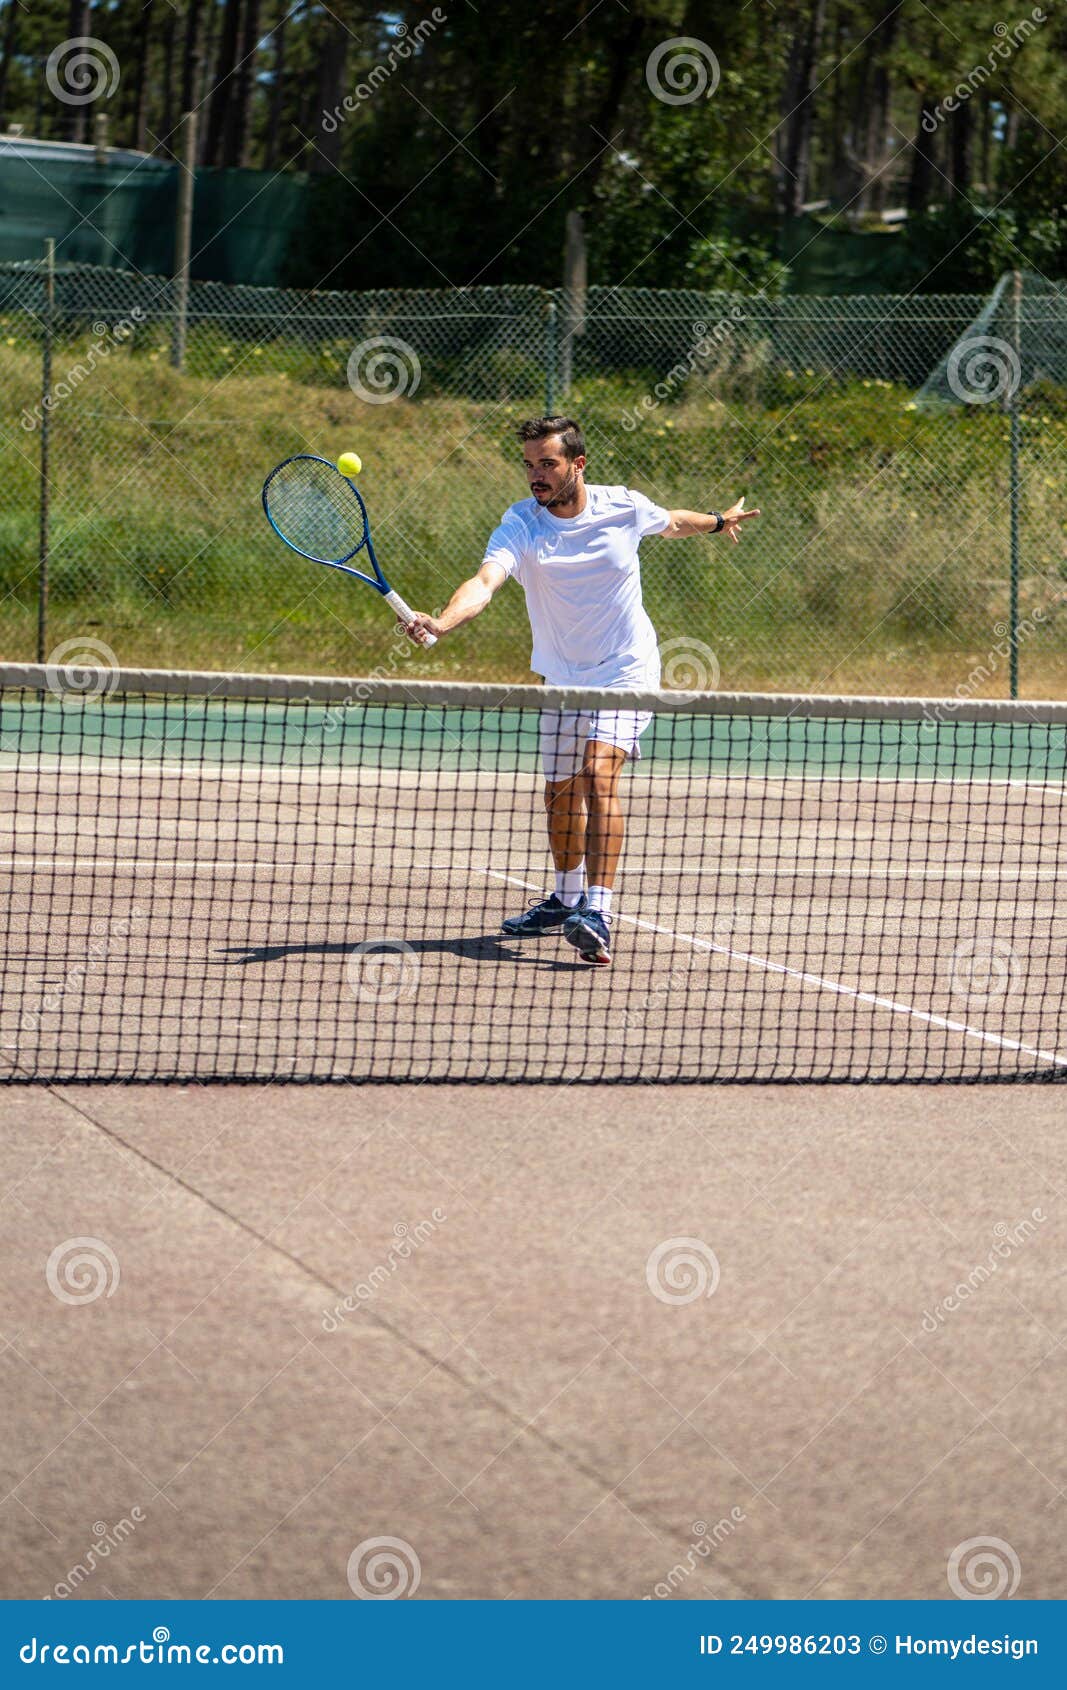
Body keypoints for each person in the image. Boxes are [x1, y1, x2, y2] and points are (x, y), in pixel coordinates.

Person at [404, 416, 759, 965]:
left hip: (625, 670)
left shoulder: (622, 506)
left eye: (547, 464)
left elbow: (672, 523)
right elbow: (484, 582)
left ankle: (597, 909)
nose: (535, 476)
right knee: (560, 795)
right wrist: (445, 623)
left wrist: (716, 521)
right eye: (528, 464)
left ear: (578, 464)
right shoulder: (521, 523)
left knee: (598, 774)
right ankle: (564, 899)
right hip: (561, 678)